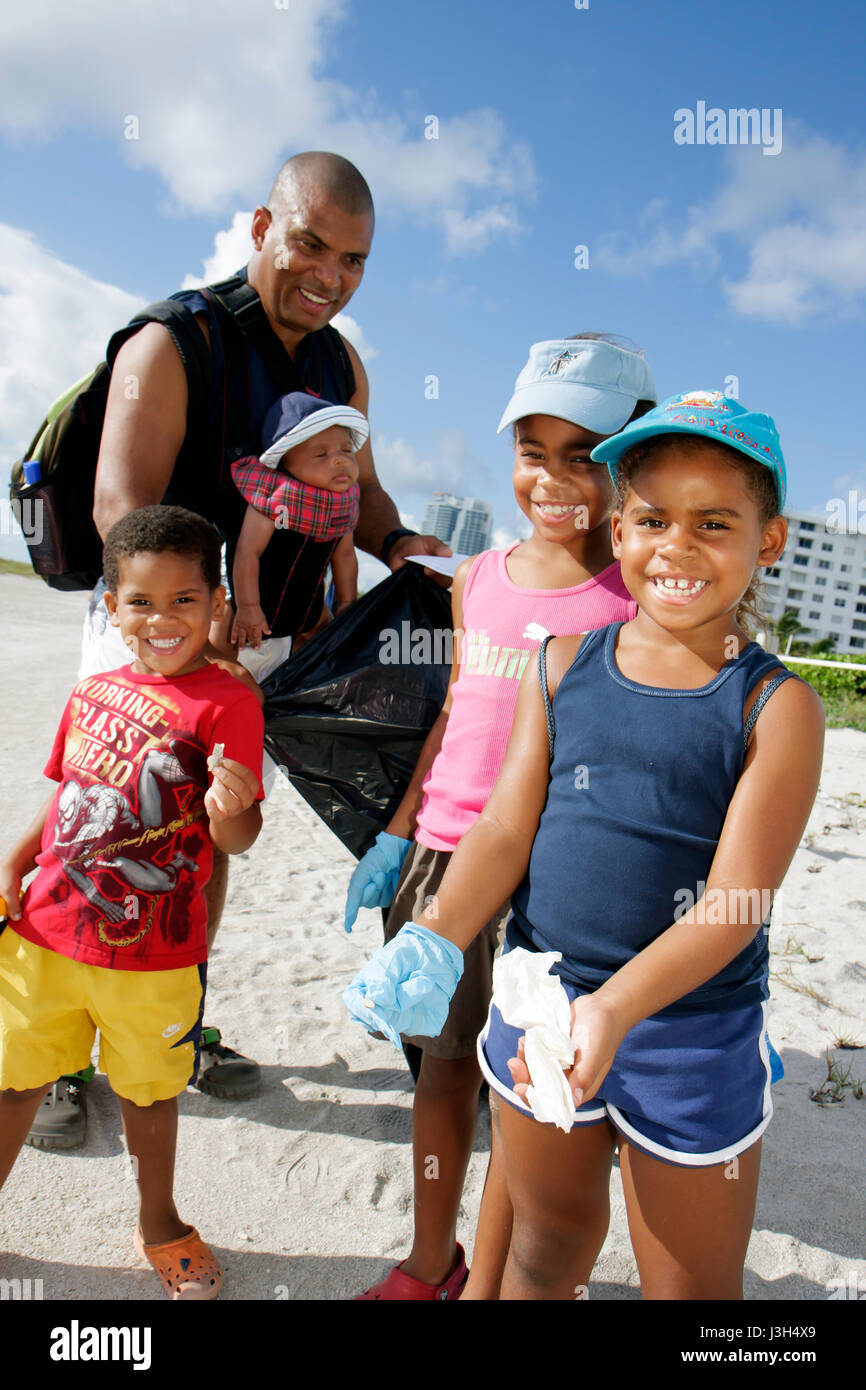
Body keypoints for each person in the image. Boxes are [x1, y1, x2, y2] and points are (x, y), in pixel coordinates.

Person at [345, 391, 825, 1300]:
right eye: (651, 517)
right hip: (543, 1003)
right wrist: (436, 933)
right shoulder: (561, 661)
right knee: (545, 1244)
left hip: (689, 1030)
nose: (676, 546)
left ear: (768, 540)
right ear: (621, 521)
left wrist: (617, 1010)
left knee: (690, 1291)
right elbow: (502, 826)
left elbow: (733, 907)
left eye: (713, 522)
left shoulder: (776, 706)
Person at [33, 150, 450, 1146]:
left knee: (206, 837)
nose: (330, 275)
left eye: (353, 259)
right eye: (311, 243)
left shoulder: (339, 364)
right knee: (97, 829)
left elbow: (354, 488)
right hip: (154, 628)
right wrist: (206, 607)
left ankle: (174, 1017)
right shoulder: (173, 340)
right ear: (261, 226)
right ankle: (56, 1048)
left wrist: (395, 545)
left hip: (258, 648)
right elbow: (118, 503)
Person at [343, 336, 657, 1299]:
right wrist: (397, 831)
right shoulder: (476, 580)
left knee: (529, 1097)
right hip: (443, 863)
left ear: (629, 461)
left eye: (584, 453)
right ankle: (430, 1262)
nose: (554, 479)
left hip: (554, 883)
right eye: (534, 450)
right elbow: (450, 716)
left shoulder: (636, 596)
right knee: (438, 1079)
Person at [0, 506, 264, 1299]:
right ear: (109, 608)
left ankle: (160, 1220)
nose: (162, 619)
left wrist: (234, 807)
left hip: (151, 955)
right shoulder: (94, 690)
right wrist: (13, 859)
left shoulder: (229, 702)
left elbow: (239, 839)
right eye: (140, 602)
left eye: (185, 600)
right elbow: (64, 796)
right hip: (42, 935)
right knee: (14, 1082)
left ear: (217, 603)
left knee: (149, 1092)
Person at [229, 391, 367, 678]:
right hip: (253, 602)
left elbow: (344, 556)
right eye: (321, 454)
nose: (340, 461)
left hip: (307, 608)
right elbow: (247, 552)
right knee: (223, 643)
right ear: (286, 464)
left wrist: (347, 604)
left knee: (328, 649)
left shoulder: (341, 504)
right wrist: (248, 606)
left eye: (346, 450)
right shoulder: (274, 496)